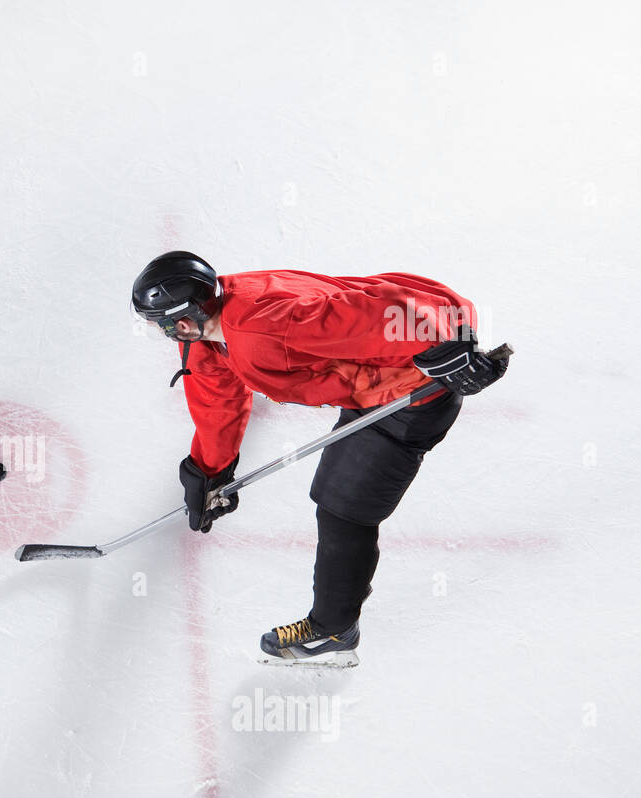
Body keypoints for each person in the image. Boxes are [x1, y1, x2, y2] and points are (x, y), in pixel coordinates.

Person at [131, 252, 507, 665]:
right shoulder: (221, 317)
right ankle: (336, 620)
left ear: (181, 322)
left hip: (410, 398)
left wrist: (449, 348)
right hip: (370, 385)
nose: (160, 333)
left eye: (157, 326)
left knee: (345, 511)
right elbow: (217, 398)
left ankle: (333, 628)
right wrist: (208, 470)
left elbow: (378, 315)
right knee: (332, 495)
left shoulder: (263, 330)